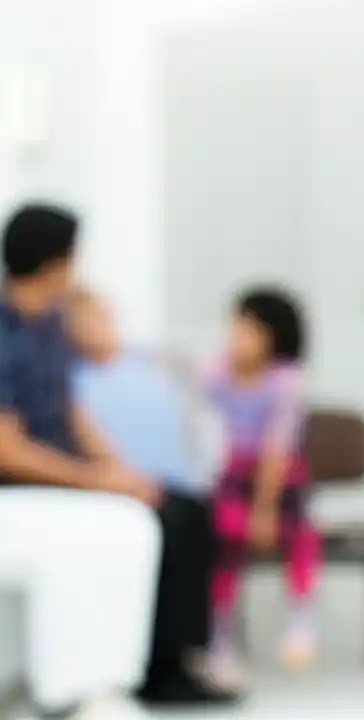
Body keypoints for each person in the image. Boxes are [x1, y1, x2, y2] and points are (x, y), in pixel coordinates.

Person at [0, 203, 160, 720]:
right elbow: (8, 449)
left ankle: (126, 675)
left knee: (159, 514)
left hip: (60, 479)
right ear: (57, 262)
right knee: (120, 525)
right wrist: (97, 481)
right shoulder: (5, 335)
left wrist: (118, 471)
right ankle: (74, 687)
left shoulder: (48, 325)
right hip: (20, 487)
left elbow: (78, 399)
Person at [66, 288, 236, 707]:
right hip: (104, 487)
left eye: (109, 315)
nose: (107, 325)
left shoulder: (144, 368)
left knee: (195, 518)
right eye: (96, 316)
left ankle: (180, 660)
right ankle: (149, 665)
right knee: (166, 526)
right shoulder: (66, 379)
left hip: (158, 485)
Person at [203, 287, 321, 690]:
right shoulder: (218, 375)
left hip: (278, 479)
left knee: (301, 535)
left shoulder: (286, 383)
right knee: (221, 541)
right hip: (232, 478)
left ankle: (302, 616)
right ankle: (219, 636)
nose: (237, 339)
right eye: (234, 328)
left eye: (249, 331)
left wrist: (265, 510)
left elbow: (277, 450)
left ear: (273, 336)